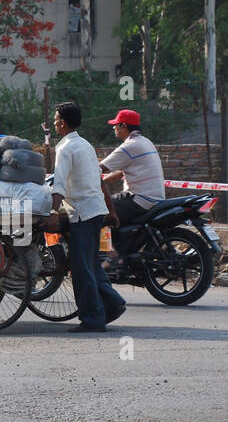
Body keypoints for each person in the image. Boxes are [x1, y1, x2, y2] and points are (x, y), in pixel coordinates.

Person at [49, 102, 127, 332]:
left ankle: (93, 319)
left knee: (81, 268)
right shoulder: (85, 145)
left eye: (55, 120)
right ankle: (112, 304)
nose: (54, 123)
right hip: (95, 211)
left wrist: (53, 213)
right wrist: (110, 211)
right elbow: (99, 181)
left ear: (62, 122)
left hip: (82, 213)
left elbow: (59, 184)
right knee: (90, 263)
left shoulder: (65, 148)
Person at [99, 108, 165, 227]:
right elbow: (120, 172)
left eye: (115, 125)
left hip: (140, 199)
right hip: (154, 198)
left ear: (123, 126)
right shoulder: (145, 142)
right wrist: (103, 181)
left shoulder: (129, 146)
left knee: (97, 207)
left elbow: (99, 168)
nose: (114, 128)